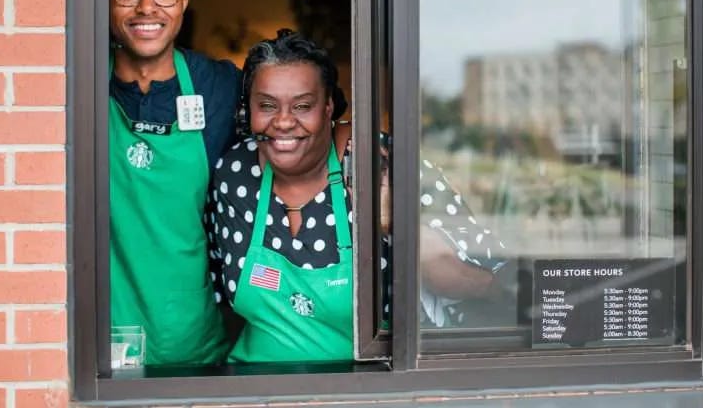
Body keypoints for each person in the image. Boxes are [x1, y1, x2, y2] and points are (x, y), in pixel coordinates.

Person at [208, 29, 505, 363]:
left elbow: (495, 288)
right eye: (266, 106)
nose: (284, 121)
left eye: (303, 105)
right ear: (247, 111)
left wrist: (395, 226)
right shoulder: (234, 173)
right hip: (256, 385)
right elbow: (217, 293)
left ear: (328, 107)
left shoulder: (384, 165)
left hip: (362, 390)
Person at [108, 0, 240, 366]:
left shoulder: (219, 85)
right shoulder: (77, 77)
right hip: (101, 330)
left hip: (191, 333)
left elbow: (302, 110)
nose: (147, 7)